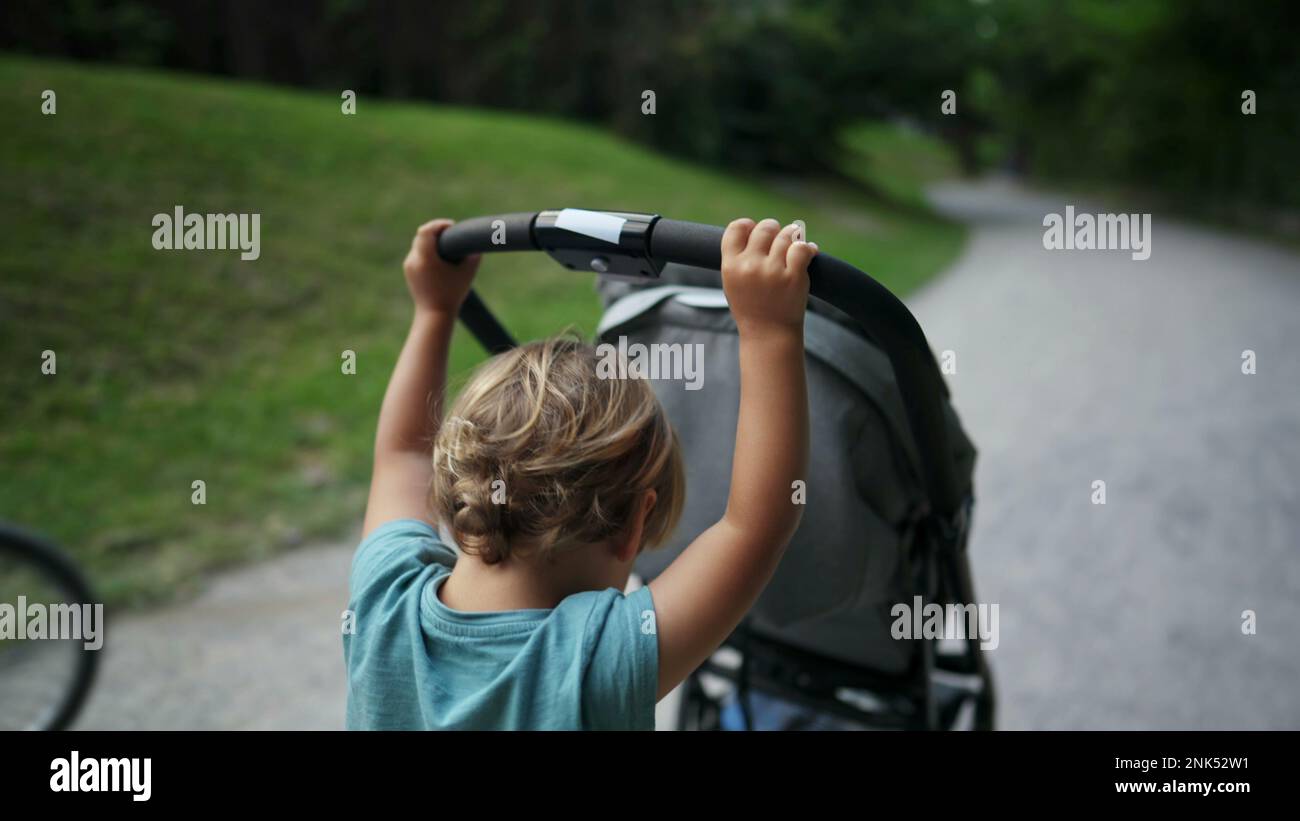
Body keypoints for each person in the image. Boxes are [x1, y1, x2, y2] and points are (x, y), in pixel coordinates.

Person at [343, 217, 815, 729]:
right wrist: (770, 330)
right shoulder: (594, 660)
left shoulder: (384, 601)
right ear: (637, 523)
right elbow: (757, 525)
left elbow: (402, 457)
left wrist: (433, 309)